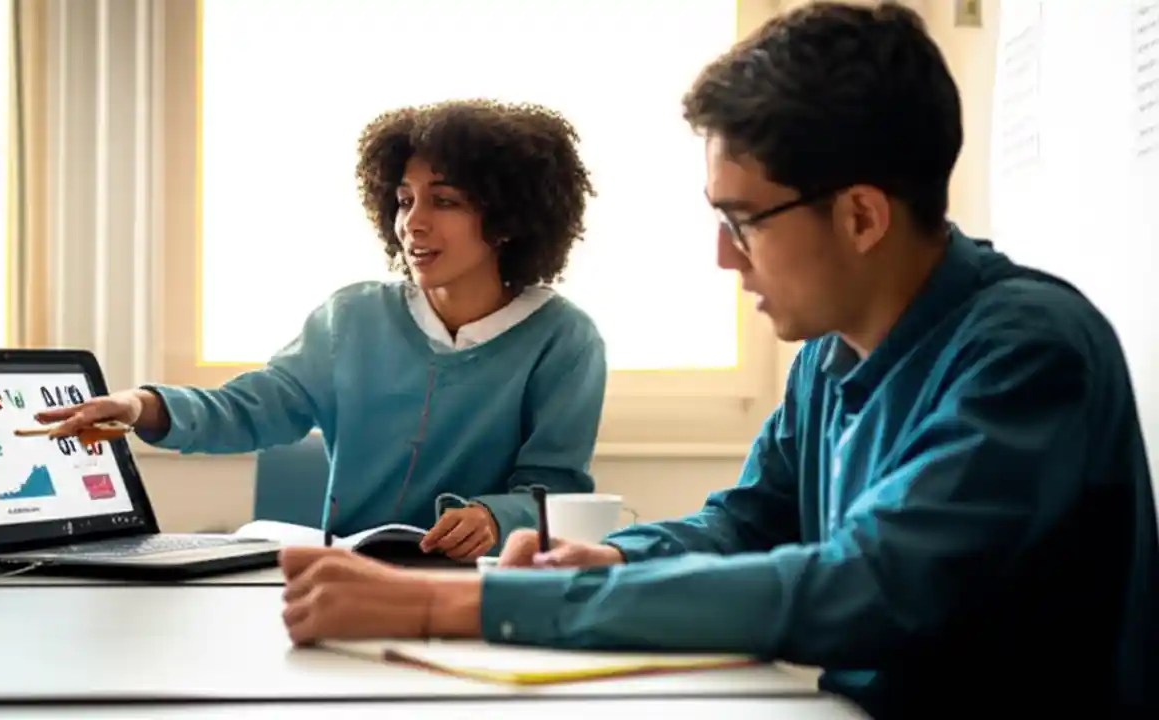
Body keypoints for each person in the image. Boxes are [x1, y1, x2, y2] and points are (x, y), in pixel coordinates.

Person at [273, 3, 1159, 716]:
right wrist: (614, 561)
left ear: (860, 217)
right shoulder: (831, 354)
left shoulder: (1029, 354)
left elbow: (864, 585)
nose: (724, 260)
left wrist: (450, 605)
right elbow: (745, 521)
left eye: (744, 222)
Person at [41, 99, 606, 561]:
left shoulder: (564, 340)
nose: (413, 223)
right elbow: (252, 407)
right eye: (404, 200)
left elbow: (553, 488)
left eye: (444, 201)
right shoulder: (352, 318)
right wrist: (142, 406)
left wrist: (491, 517)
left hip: (477, 584)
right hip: (347, 577)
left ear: (509, 218)